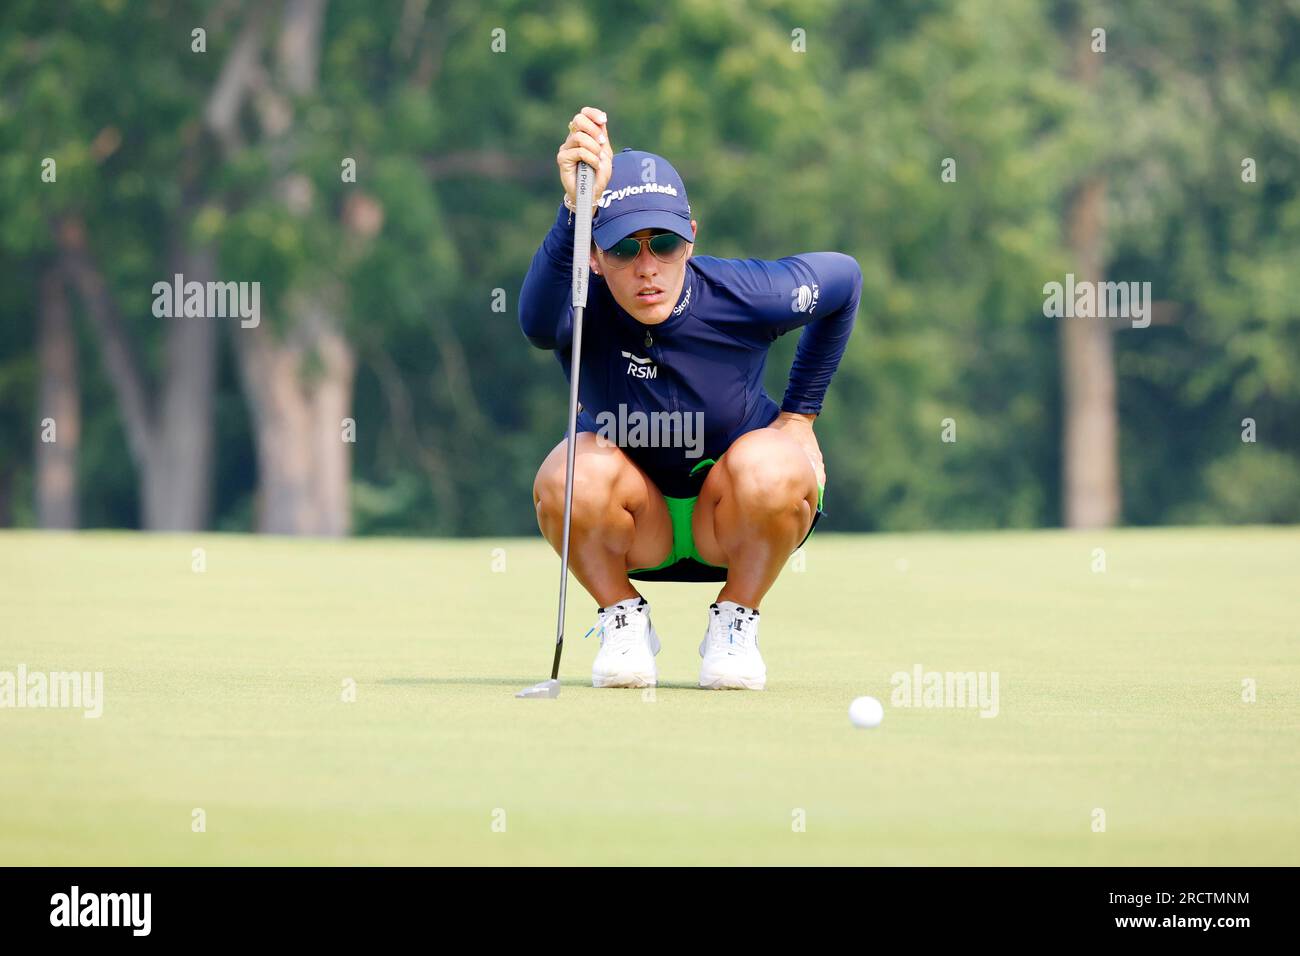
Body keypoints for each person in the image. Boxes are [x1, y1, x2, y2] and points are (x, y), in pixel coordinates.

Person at [519, 106, 861, 690]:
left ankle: (736, 623)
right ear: (594, 257)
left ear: (691, 239)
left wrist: (800, 415)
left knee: (773, 461)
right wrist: (573, 210)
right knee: (569, 470)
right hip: (634, 522)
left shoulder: (747, 295)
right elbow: (534, 322)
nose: (647, 268)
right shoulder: (578, 304)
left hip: (733, 518)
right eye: (625, 249)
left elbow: (844, 280)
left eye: (666, 244)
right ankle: (622, 620)